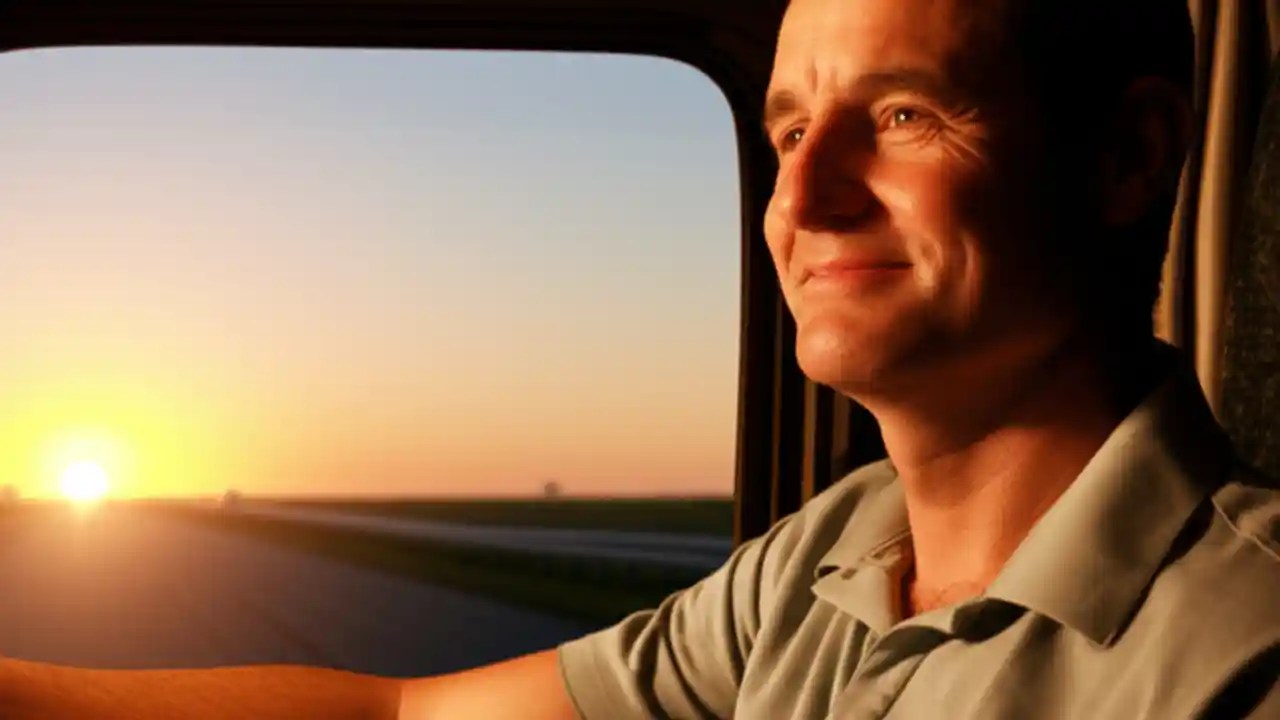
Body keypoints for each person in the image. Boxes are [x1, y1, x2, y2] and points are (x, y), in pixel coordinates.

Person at [3, 0, 1278, 717]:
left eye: (901, 116)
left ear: (1122, 159)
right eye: (788, 132)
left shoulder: (1241, 646)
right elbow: (410, 717)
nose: (801, 200)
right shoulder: (826, 560)